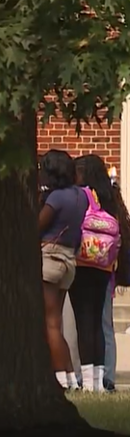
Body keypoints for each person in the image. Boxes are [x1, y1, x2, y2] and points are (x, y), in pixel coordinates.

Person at [71, 155, 130, 391]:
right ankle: (107, 377)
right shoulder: (111, 197)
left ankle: (90, 378)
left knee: (88, 323)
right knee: (103, 323)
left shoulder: (83, 196)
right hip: (106, 267)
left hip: (86, 264)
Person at [38, 149, 87, 390]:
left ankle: (59, 377)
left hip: (50, 257)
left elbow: (37, 226)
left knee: (50, 323)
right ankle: (70, 376)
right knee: (56, 321)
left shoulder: (55, 198)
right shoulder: (80, 196)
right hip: (69, 259)